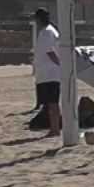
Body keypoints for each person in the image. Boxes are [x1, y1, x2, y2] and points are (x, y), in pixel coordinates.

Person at [33, 8, 63, 137]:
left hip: (49, 73)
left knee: (52, 103)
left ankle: (55, 129)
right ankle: (54, 127)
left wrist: (60, 65)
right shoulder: (49, 31)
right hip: (47, 73)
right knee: (50, 103)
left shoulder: (47, 32)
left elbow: (50, 52)